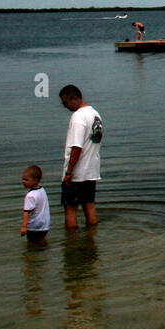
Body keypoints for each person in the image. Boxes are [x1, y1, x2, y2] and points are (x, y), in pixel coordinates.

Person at [58, 84, 103, 229]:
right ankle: (91, 239)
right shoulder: (95, 115)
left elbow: (76, 147)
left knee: (70, 208)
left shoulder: (77, 117)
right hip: (91, 171)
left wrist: (69, 172)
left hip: (77, 173)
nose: (65, 107)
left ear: (75, 98)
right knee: (89, 206)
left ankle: (71, 244)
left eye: (65, 102)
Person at [20, 165, 50, 246]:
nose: (23, 182)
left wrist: (24, 227)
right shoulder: (42, 190)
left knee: (31, 245)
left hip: (34, 226)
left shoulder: (30, 195)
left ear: (35, 180)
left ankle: (33, 258)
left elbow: (26, 212)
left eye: (26, 180)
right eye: (23, 179)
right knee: (41, 243)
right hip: (45, 225)